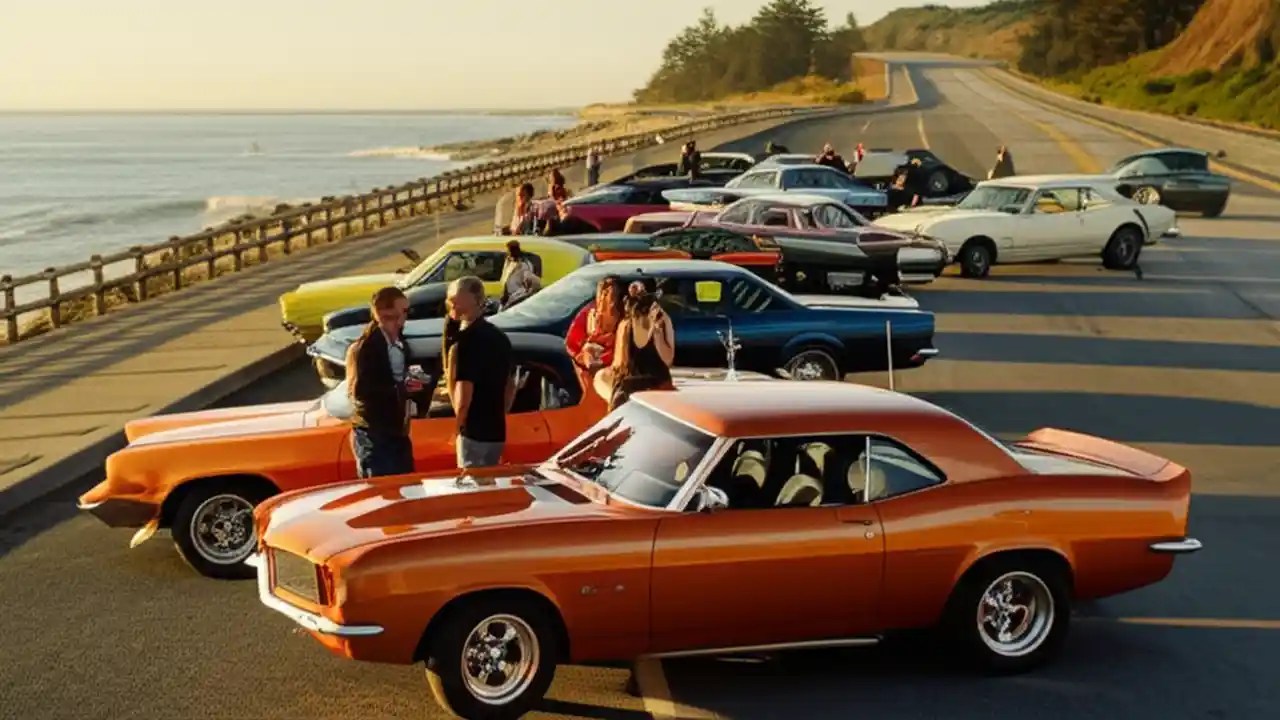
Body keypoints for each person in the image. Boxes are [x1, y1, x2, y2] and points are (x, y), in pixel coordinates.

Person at [345, 286, 426, 477]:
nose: (404, 317)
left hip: (397, 429)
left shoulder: (399, 343)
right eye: (401, 311)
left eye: (406, 312)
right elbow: (361, 392)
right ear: (383, 312)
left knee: (406, 484)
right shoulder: (366, 348)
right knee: (382, 487)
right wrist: (400, 389)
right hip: (375, 431)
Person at [446, 276, 521, 468]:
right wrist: (499, 412)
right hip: (496, 431)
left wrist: (457, 428)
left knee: (470, 487)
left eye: (455, 300)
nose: (452, 305)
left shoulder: (466, 343)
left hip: (473, 433)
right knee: (489, 483)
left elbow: (464, 395)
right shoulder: (500, 338)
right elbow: (511, 384)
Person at [602, 278, 675, 411]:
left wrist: (657, 334)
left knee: (620, 388)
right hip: (634, 381)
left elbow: (668, 360)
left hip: (656, 382)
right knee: (615, 384)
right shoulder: (625, 325)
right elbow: (619, 364)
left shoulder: (662, 321)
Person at [565, 275, 624, 393]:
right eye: (602, 292)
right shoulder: (588, 313)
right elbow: (572, 343)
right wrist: (586, 355)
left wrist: (601, 359)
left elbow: (623, 350)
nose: (604, 297)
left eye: (609, 294)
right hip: (584, 379)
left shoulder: (625, 320)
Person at [499, 239, 541, 309]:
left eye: (509, 251)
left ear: (515, 251)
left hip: (517, 299)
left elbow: (528, 284)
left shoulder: (524, 265)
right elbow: (506, 279)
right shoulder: (508, 261)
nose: (508, 253)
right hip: (506, 297)